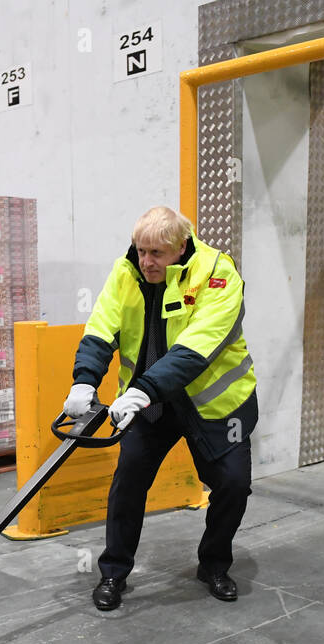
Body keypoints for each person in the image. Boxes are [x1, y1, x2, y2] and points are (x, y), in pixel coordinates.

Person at [65, 206, 258, 610]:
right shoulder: (126, 271)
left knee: (233, 485)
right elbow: (103, 327)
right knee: (128, 484)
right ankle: (113, 573)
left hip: (214, 404)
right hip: (150, 407)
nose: (146, 261)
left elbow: (196, 348)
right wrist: (85, 378)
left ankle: (214, 564)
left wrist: (144, 389)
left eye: (156, 253)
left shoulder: (219, 275)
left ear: (181, 247)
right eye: (141, 250)